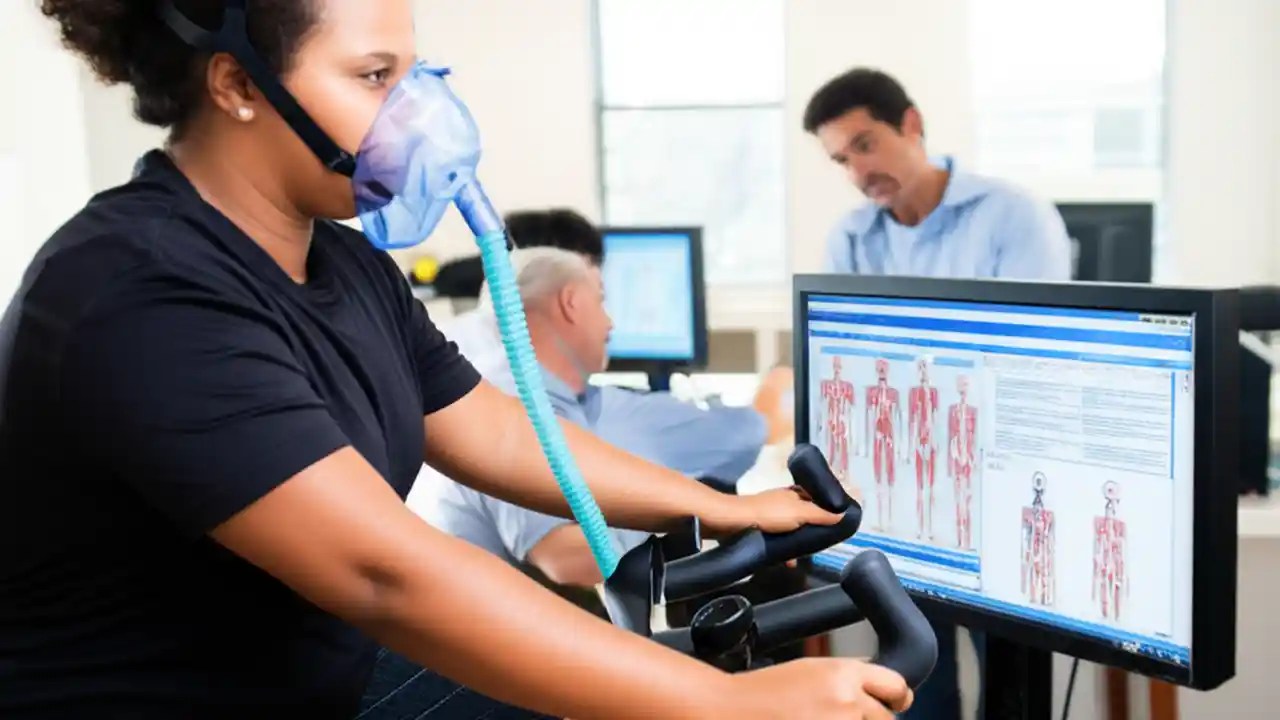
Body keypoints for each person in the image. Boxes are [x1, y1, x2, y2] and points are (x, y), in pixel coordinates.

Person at [0, 2, 913, 718]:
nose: (414, 112)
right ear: (238, 84)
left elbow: (500, 433)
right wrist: (724, 706)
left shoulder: (341, 259)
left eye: (409, 72)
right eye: (372, 75)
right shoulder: (140, 291)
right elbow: (383, 572)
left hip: (317, 676)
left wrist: (714, 505)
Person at [803, 67, 1072, 719]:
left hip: (995, 489)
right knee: (917, 680)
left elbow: (1030, 360)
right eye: (841, 159)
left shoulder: (1011, 215)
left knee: (1010, 680)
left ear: (912, 125)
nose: (858, 172)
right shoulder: (850, 237)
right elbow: (848, 366)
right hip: (902, 489)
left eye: (865, 145)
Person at [411, 246, 776, 589]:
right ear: (571, 303)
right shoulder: (516, 401)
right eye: (600, 301)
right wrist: (710, 519)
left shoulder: (563, 397)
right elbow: (567, 559)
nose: (610, 323)